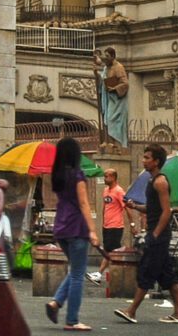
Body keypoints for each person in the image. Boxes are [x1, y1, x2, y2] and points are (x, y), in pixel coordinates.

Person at [114, 144, 178, 324]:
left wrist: (154, 234)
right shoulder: (151, 181)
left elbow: (166, 211)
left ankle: (131, 311)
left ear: (156, 162)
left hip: (159, 235)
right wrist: (136, 206)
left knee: (147, 270)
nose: (144, 160)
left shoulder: (160, 182)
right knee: (167, 274)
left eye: (147, 158)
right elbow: (152, 208)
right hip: (157, 234)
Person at [44, 137, 105, 331]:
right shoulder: (77, 176)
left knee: (75, 270)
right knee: (78, 274)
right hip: (77, 228)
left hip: (61, 228)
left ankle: (56, 303)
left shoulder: (58, 176)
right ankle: (72, 320)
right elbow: (84, 204)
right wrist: (93, 231)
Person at [102, 169, 129, 254]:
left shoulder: (119, 191)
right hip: (106, 226)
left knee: (113, 251)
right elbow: (105, 206)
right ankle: (108, 267)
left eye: (106, 176)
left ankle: (104, 268)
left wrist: (132, 224)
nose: (104, 179)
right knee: (107, 250)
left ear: (113, 177)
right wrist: (103, 222)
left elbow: (127, 207)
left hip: (115, 226)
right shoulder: (105, 190)